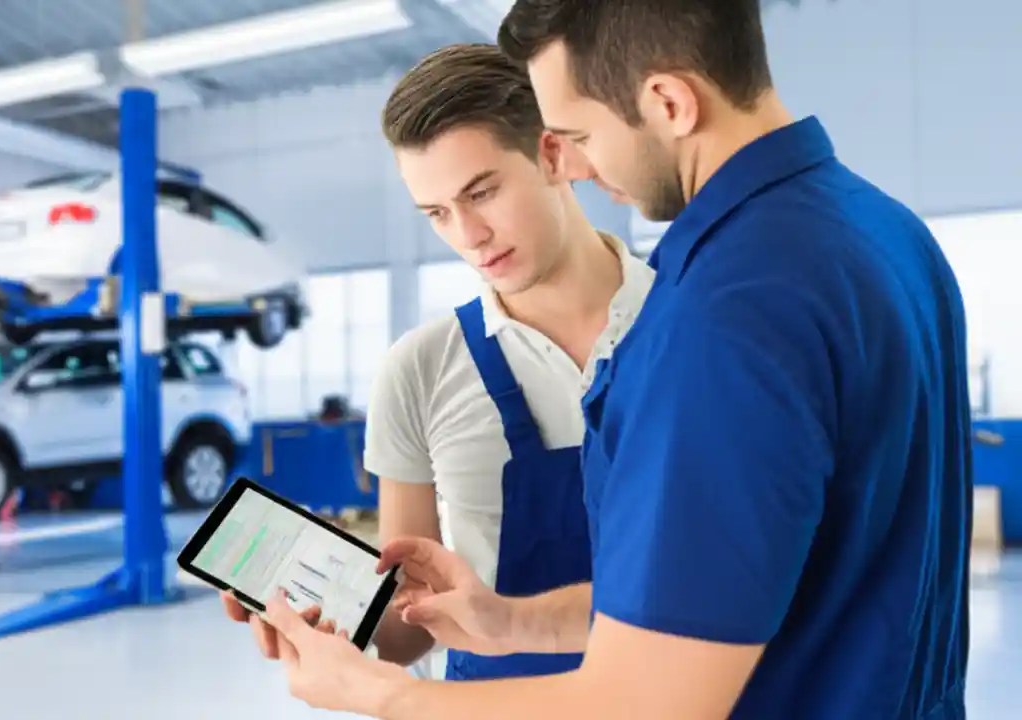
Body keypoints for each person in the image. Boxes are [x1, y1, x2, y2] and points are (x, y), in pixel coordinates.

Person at [254, 1, 974, 718]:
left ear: (667, 102)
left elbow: (646, 702)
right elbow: (746, 581)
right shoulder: (888, 234)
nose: (575, 163)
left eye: (576, 134)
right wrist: (510, 622)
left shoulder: (717, 312)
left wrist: (381, 693)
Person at [219, 42, 654, 682]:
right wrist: (332, 620)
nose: (468, 236)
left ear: (552, 153)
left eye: (482, 192)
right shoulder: (420, 370)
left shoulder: (687, 323)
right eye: (437, 214)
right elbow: (408, 628)